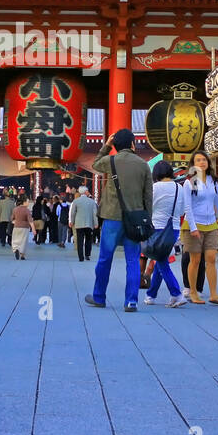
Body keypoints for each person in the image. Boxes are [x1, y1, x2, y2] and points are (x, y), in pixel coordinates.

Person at [85, 128, 152, 312]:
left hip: (112, 217)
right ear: (132, 144)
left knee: (105, 258)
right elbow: (148, 196)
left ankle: (99, 297)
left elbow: (96, 163)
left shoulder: (110, 160)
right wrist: (148, 219)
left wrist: (106, 146)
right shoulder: (143, 165)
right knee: (132, 260)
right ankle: (131, 301)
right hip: (135, 219)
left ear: (115, 145)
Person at [182, 150, 218, 305]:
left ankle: (213, 294)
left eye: (204, 160)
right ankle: (193, 292)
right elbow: (187, 207)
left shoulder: (213, 181)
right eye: (198, 160)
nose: (202, 162)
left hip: (211, 225)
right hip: (194, 225)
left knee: (211, 259)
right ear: (193, 164)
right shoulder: (190, 182)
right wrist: (193, 227)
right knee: (195, 260)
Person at [143, 160, 190, 307]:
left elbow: (148, 208)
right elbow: (182, 211)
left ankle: (176, 294)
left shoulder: (154, 188)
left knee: (162, 261)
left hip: (157, 226)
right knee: (160, 259)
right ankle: (151, 295)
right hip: (173, 229)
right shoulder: (179, 188)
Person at [70, 185, 98, 261]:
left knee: (80, 240)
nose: (88, 192)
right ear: (85, 192)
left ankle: (80, 257)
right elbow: (94, 214)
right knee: (89, 239)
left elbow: (73, 213)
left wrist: (71, 222)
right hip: (89, 223)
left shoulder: (76, 201)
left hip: (79, 224)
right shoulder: (92, 202)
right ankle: (87, 255)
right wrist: (96, 223)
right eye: (88, 191)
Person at [10, 193, 34, 260]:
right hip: (25, 228)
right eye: (28, 202)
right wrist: (34, 229)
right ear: (24, 202)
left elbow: (11, 219)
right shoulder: (27, 210)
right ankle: (22, 255)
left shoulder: (15, 209)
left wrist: (15, 222)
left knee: (15, 240)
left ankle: (15, 250)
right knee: (23, 241)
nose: (28, 203)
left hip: (16, 227)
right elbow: (30, 221)